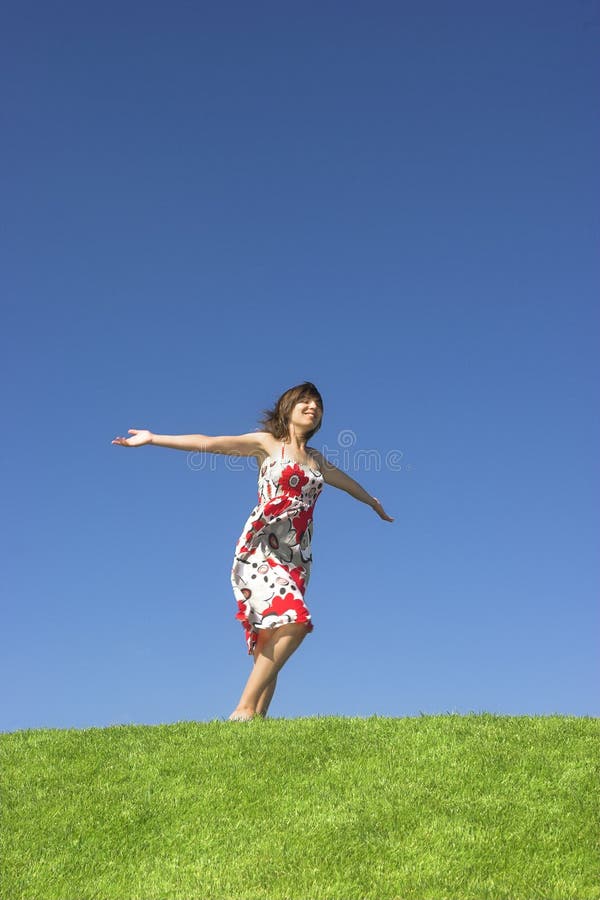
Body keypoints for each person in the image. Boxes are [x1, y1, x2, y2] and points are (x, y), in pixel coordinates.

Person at [112, 381, 394, 722]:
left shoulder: (316, 460)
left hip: (297, 556)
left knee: (271, 637)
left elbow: (348, 484)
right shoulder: (267, 444)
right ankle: (243, 707)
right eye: (304, 401)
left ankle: (256, 720)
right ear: (287, 408)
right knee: (296, 622)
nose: (312, 407)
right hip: (263, 548)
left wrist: (372, 502)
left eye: (317, 404)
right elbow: (209, 443)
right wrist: (154, 438)